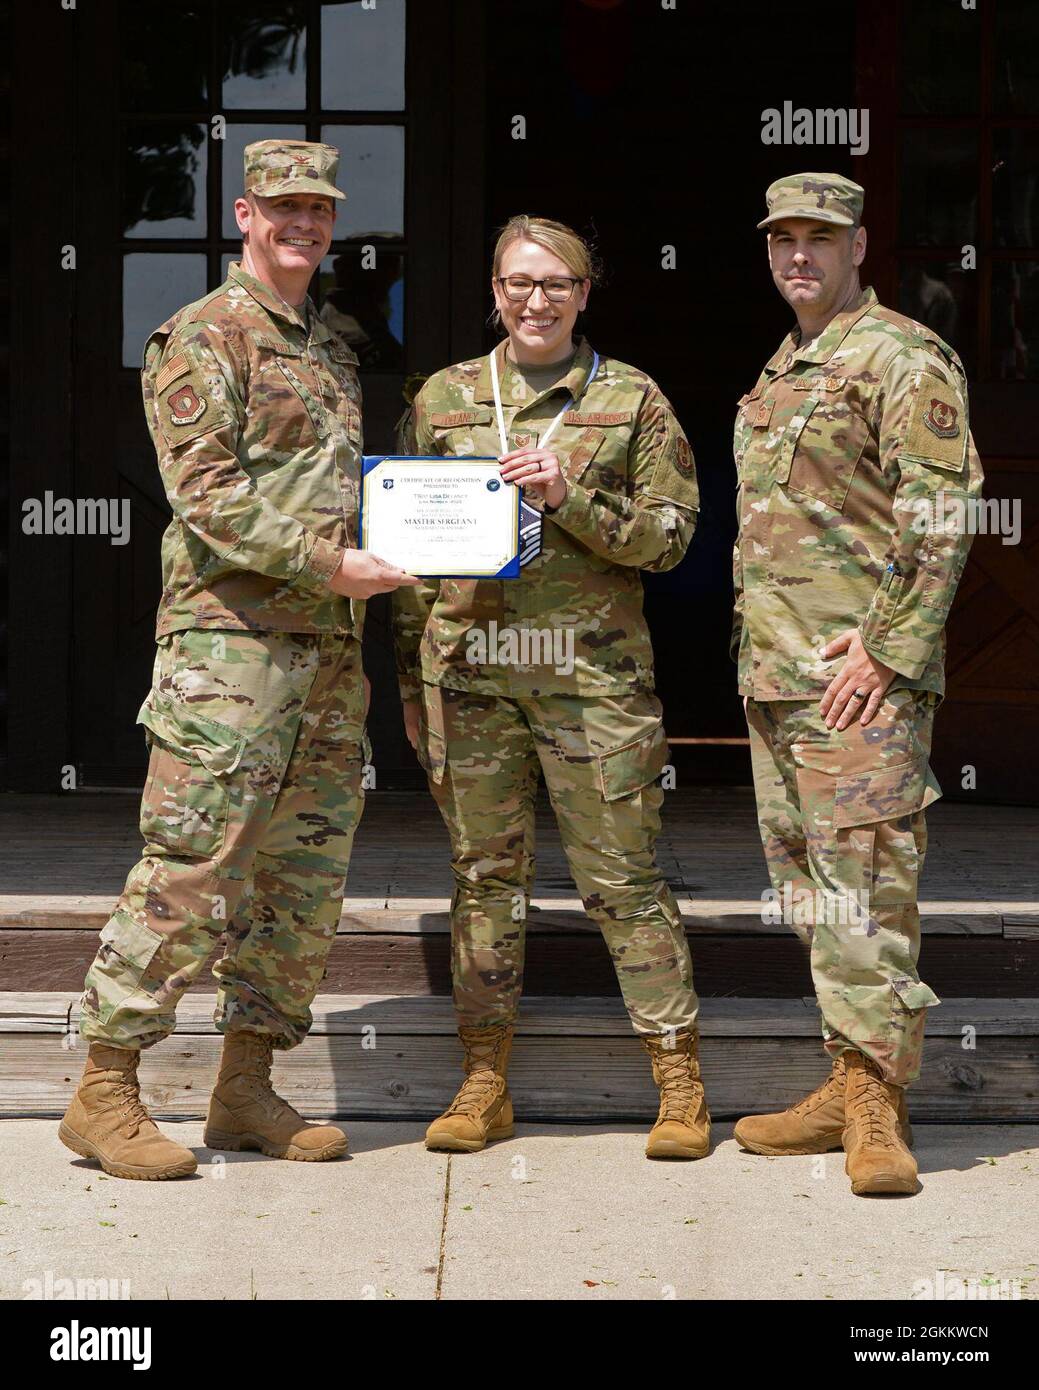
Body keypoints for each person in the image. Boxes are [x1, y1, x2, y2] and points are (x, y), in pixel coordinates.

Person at [60, 139, 418, 1181]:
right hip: (230, 651)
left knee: (301, 878)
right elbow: (205, 495)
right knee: (194, 864)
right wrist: (328, 562)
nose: (304, 223)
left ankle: (245, 1084)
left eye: (319, 209)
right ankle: (104, 1084)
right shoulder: (202, 338)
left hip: (326, 654)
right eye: (284, 207)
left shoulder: (329, 344)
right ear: (244, 214)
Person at [393, 216, 707, 1159]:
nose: (536, 300)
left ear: (585, 291)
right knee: (485, 881)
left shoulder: (631, 399)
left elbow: (673, 540)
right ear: (493, 290)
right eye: (519, 282)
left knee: (623, 880)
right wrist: (413, 680)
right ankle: (483, 1080)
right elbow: (407, 552)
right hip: (473, 679)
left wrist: (571, 497)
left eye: (557, 283)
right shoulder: (445, 398)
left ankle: (678, 1082)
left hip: (590, 683)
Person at [730, 173, 983, 1195]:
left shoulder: (898, 355)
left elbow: (942, 514)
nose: (800, 255)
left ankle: (879, 1109)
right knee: (813, 896)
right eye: (783, 238)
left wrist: (885, 649)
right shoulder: (786, 363)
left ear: (859, 245)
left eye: (819, 239)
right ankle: (843, 1080)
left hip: (856, 684)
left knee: (866, 891)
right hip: (778, 676)